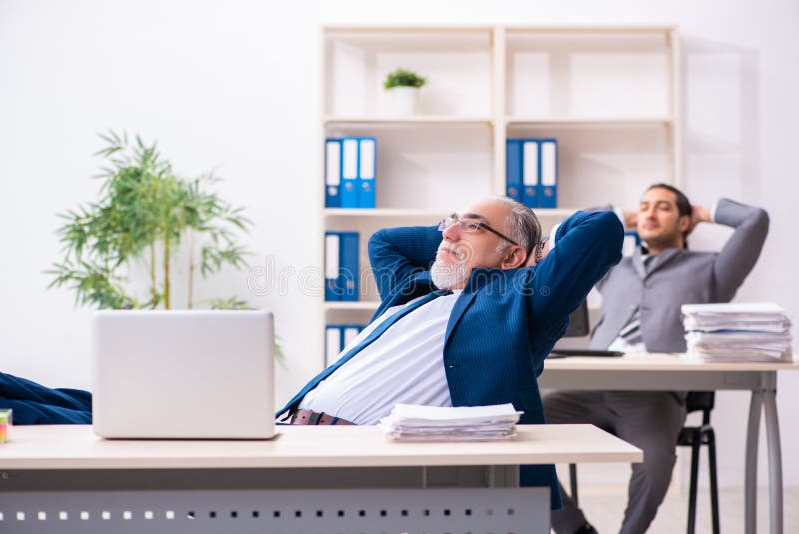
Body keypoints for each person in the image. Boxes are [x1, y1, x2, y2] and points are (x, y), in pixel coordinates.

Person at [277, 195, 623, 509]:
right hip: (291, 436)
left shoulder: (519, 301)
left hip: (367, 468)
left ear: (514, 257)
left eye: (472, 225)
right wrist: (459, 235)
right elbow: (385, 242)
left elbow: (601, 228)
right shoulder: (413, 292)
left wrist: (537, 249)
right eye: (448, 223)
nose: (448, 233)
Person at [543, 184, 770, 534]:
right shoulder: (613, 267)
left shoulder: (713, 269)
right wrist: (619, 217)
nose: (649, 213)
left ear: (684, 221)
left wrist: (702, 212)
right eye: (644, 206)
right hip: (590, 384)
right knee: (517, 435)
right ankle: (574, 529)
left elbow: (755, 221)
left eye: (662, 207)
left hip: (655, 395)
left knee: (654, 462)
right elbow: (563, 236)